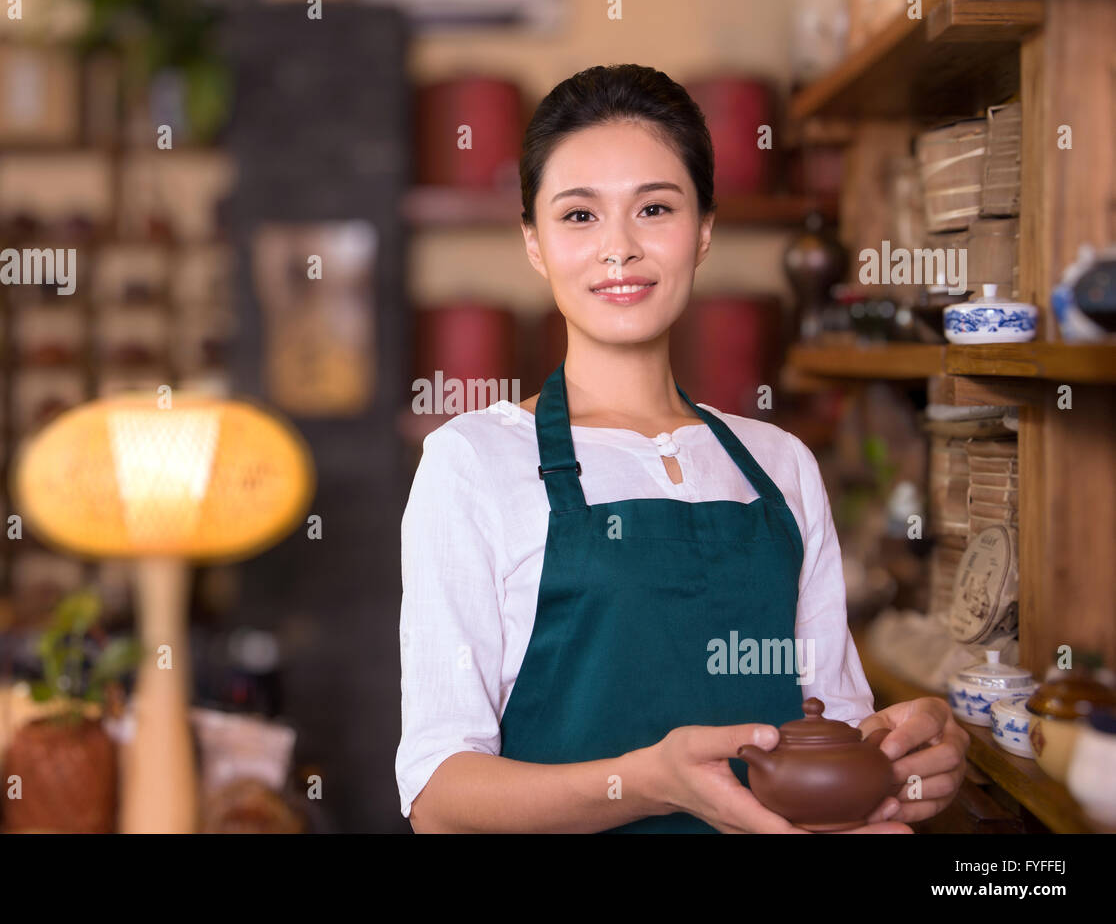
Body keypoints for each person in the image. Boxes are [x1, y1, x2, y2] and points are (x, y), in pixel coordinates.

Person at [396, 63, 968, 833]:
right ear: (533, 241)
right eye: (578, 216)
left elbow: (829, 725)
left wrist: (902, 760)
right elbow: (438, 796)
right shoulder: (471, 462)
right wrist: (647, 782)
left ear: (702, 231)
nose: (620, 249)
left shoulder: (779, 464)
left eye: (655, 208)